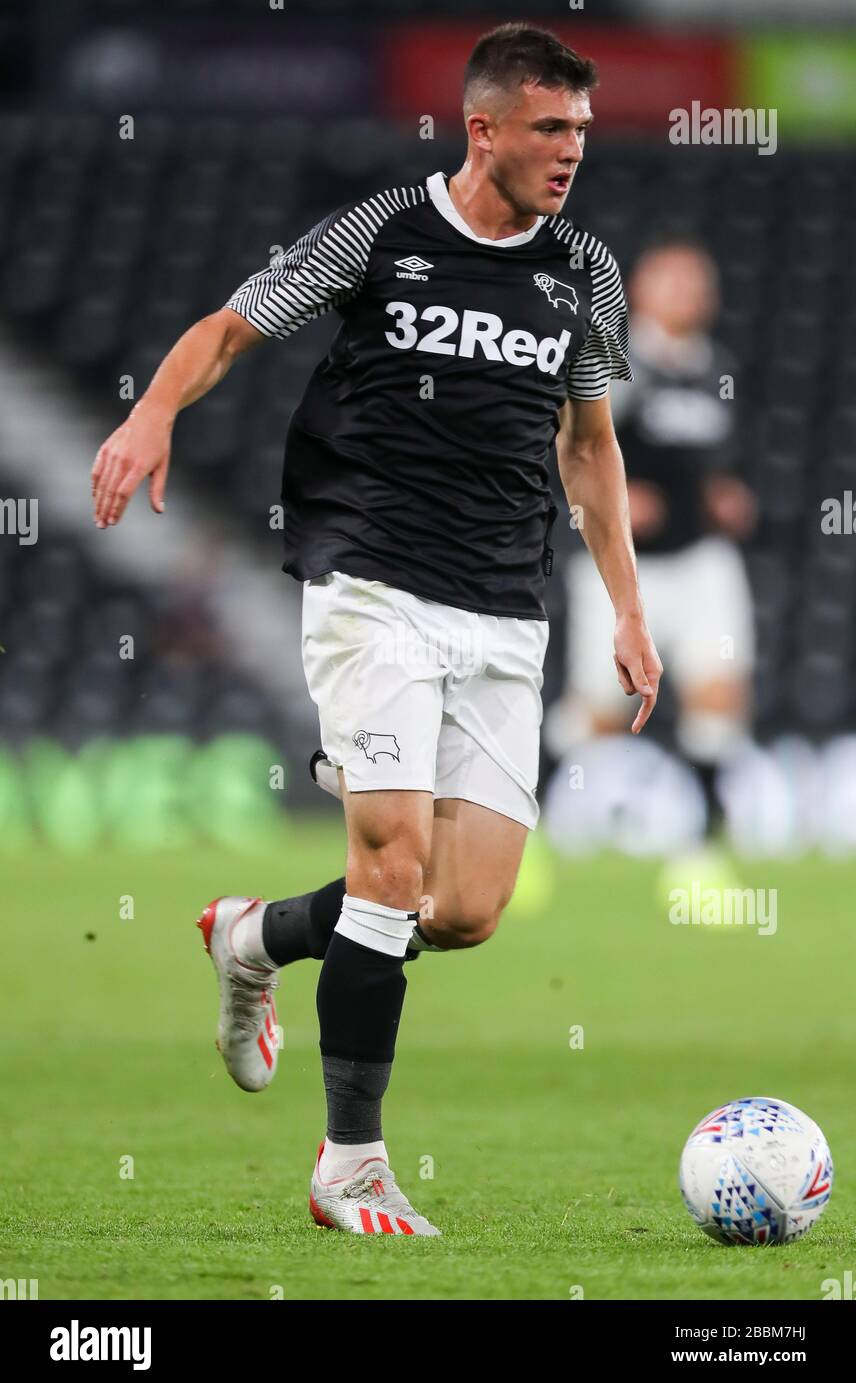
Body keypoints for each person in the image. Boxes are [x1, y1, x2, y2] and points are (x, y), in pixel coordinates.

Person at [90, 23, 661, 1236]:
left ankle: (253, 934)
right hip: (372, 585)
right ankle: (349, 1162)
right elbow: (231, 326)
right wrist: (151, 415)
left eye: (580, 130)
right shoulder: (382, 233)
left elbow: (589, 442)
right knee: (390, 870)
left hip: (507, 607)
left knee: (461, 910)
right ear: (485, 128)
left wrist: (626, 605)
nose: (570, 152)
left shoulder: (585, 269)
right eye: (550, 128)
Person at [562, 236, 755, 827]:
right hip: (622, 562)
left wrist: (726, 490)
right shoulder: (615, 361)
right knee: (598, 707)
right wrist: (616, 500)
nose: (688, 293)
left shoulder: (715, 368)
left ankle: (705, 838)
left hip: (700, 557)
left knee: (719, 692)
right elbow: (570, 446)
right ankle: (549, 821)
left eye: (698, 282)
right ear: (641, 290)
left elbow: (714, 453)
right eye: (673, 280)